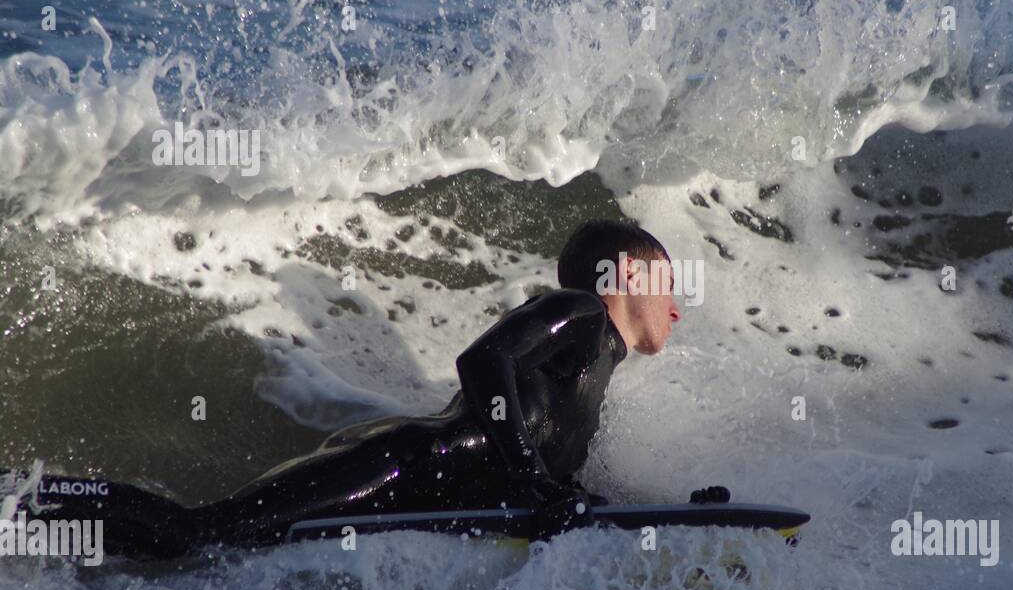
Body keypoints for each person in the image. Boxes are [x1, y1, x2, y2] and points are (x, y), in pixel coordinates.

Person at [13, 219, 695, 557]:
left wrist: (681, 511)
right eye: (668, 282)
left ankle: (38, 529)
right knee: (199, 535)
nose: (676, 307)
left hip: (420, 486)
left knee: (202, 550)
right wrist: (528, 479)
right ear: (628, 277)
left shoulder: (596, 372)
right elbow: (483, 363)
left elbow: (568, 486)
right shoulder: (577, 312)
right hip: (401, 463)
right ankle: (21, 500)